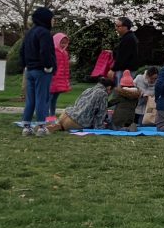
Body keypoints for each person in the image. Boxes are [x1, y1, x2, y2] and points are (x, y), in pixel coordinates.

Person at [20, 7, 57, 136]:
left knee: (30, 99)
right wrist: (48, 66)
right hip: (42, 71)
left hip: (30, 70)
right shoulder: (44, 33)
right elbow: (45, 51)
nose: (54, 21)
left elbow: (22, 50)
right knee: (43, 98)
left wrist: (26, 65)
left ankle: (26, 126)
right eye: (52, 18)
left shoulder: (30, 32)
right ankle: (41, 126)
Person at [40, 78, 115, 133]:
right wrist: (100, 128)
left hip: (66, 114)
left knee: (59, 125)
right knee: (61, 127)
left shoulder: (88, 89)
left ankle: (50, 126)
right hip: (76, 121)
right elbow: (100, 114)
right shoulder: (103, 94)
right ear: (109, 88)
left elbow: (77, 103)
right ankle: (54, 127)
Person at [108, 16, 139, 81]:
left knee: (122, 89)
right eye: (115, 26)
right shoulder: (128, 37)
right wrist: (113, 52)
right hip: (126, 69)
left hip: (126, 71)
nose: (116, 28)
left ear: (125, 27)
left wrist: (113, 69)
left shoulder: (128, 39)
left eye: (118, 26)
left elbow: (123, 56)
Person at [49, 31, 71, 119]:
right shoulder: (53, 52)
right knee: (50, 98)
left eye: (65, 43)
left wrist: (66, 79)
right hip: (53, 79)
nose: (63, 45)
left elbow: (66, 68)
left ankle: (52, 115)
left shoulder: (65, 53)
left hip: (61, 79)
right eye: (61, 43)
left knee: (54, 98)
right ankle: (47, 115)